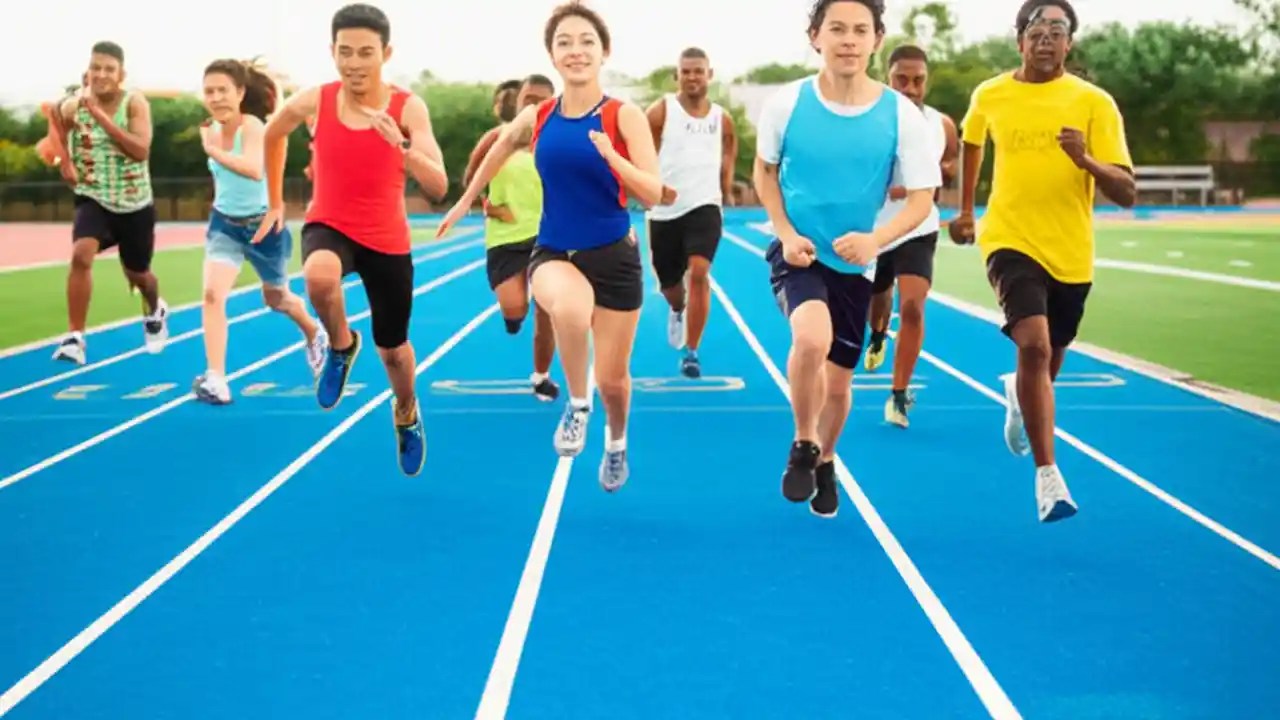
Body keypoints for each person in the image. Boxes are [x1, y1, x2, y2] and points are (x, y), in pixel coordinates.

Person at [437, 1, 662, 493]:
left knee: (615, 381)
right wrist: (465, 201)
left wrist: (611, 157)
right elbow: (499, 145)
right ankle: (577, 406)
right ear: (552, 55)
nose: (576, 51)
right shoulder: (539, 116)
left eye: (586, 42)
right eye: (565, 43)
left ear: (605, 52)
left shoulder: (626, 117)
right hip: (554, 250)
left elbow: (652, 191)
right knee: (569, 309)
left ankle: (617, 440)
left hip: (614, 255)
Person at [949, 0, 1135, 523]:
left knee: (1046, 362)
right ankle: (1048, 478)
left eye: (1058, 29)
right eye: (1037, 28)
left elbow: (1127, 192)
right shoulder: (990, 93)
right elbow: (970, 141)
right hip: (1009, 237)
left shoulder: (1095, 102)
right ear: (1020, 40)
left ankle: (1018, 394)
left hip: (1071, 251)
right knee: (1034, 345)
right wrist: (965, 210)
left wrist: (1086, 160)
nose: (1047, 37)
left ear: (1070, 43)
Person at [756, 0, 940, 518]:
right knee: (809, 337)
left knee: (839, 383)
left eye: (861, 30)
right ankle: (803, 443)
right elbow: (764, 174)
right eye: (836, 28)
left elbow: (924, 199)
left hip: (857, 263)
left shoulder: (900, 114)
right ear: (815, 36)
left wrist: (876, 240)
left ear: (877, 40)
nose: (848, 39)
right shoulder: (787, 103)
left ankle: (827, 458)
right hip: (800, 251)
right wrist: (786, 233)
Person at [256, 3, 449, 476]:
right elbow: (273, 133)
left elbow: (440, 186)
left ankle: (405, 411)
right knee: (319, 277)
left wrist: (400, 147)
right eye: (345, 52)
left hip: (386, 239)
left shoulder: (408, 107)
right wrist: (276, 202)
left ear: (386, 53)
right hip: (331, 224)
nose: (354, 63)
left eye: (365, 53)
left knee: (394, 353)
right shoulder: (314, 100)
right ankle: (341, 346)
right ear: (332, 51)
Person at [191, 59, 329, 405]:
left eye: (223, 90)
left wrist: (212, 150)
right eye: (210, 91)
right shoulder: (209, 127)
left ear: (240, 93)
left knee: (276, 298)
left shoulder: (252, 127)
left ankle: (313, 332)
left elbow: (253, 170)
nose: (217, 97)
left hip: (263, 227)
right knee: (211, 294)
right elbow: (223, 178)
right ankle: (216, 378)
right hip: (225, 224)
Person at [52, 41, 169, 366]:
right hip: (94, 197)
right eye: (96, 68)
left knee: (138, 274)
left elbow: (140, 150)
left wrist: (100, 117)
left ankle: (155, 306)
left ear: (121, 75)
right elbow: (55, 117)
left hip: (134, 204)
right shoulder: (74, 104)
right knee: (80, 255)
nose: (101, 75)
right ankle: (75, 337)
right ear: (87, 72)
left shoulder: (134, 103)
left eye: (109, 69)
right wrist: (65, 159)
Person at [863, 43, 958, 428]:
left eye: (918, 80)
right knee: (877, 299)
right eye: (901, 79)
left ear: (926, 82)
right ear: (887, 78)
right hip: (874, 230)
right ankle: (878, 334)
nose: (910, 87)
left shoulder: (941, 124)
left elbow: (952, 158)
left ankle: (899, 395)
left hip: (918, 227)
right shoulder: (867, 120)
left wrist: (942, 174)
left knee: (915, 306)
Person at [644, 47, 738, 378]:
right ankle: (677, 307)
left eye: (698, 71)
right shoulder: (661, 111)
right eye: (686, 71)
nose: (692, 77)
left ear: (709, 74)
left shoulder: (721, 118)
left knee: (699, 272)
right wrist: (648, 187)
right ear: (677, 76)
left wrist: (725, 189)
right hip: (665, 210)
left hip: (705, 205)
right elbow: (641, 152)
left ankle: (692, 350)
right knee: (670, 283)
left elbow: (728, 152)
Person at [479, 76, 560, 402]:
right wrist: (489, 206)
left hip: (549, 236)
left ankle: (541, 377)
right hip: (506, 237)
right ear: (518, 99)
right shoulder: (499, 137)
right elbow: (473, 178)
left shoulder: (557, 138)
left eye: (541, 98)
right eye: (529, 97)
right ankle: (513, 318)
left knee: (548, 311)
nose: (533, 103)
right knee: (515, 309)